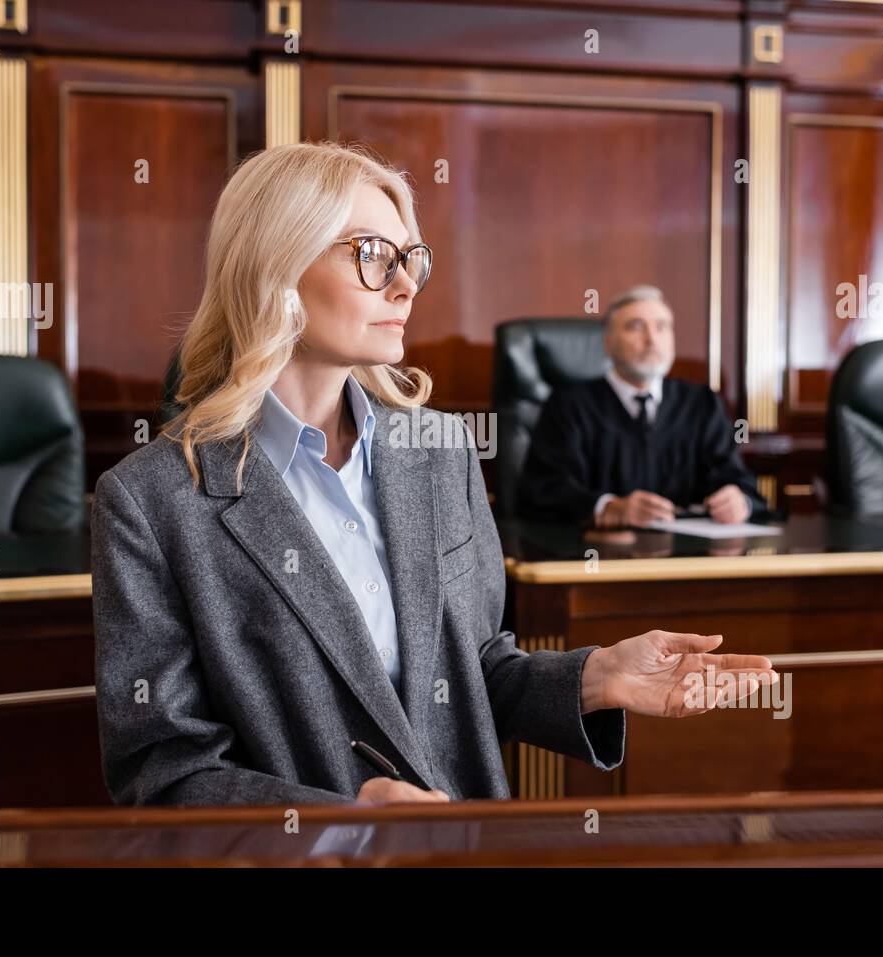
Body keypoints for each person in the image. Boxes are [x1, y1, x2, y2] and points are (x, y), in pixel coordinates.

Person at [91, 141, 776, 807]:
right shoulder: (149, 501)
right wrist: (337, 821)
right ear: (277, 261)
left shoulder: (441, 449)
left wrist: (594, 677)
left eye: (410, 258)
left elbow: (476, 674)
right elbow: (164, 770)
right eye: (371, 254)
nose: (405, 283)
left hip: (466, 847)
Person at [516, 285, 767, 529]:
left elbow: (734, 476)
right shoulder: (569, 406)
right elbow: (542, 490)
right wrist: (608, 507)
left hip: (688, 556)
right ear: (608, 343)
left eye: (662, 327)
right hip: (600, 558)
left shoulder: (702, 403)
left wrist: (740, 500)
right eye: (636, 327)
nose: (651, 339)